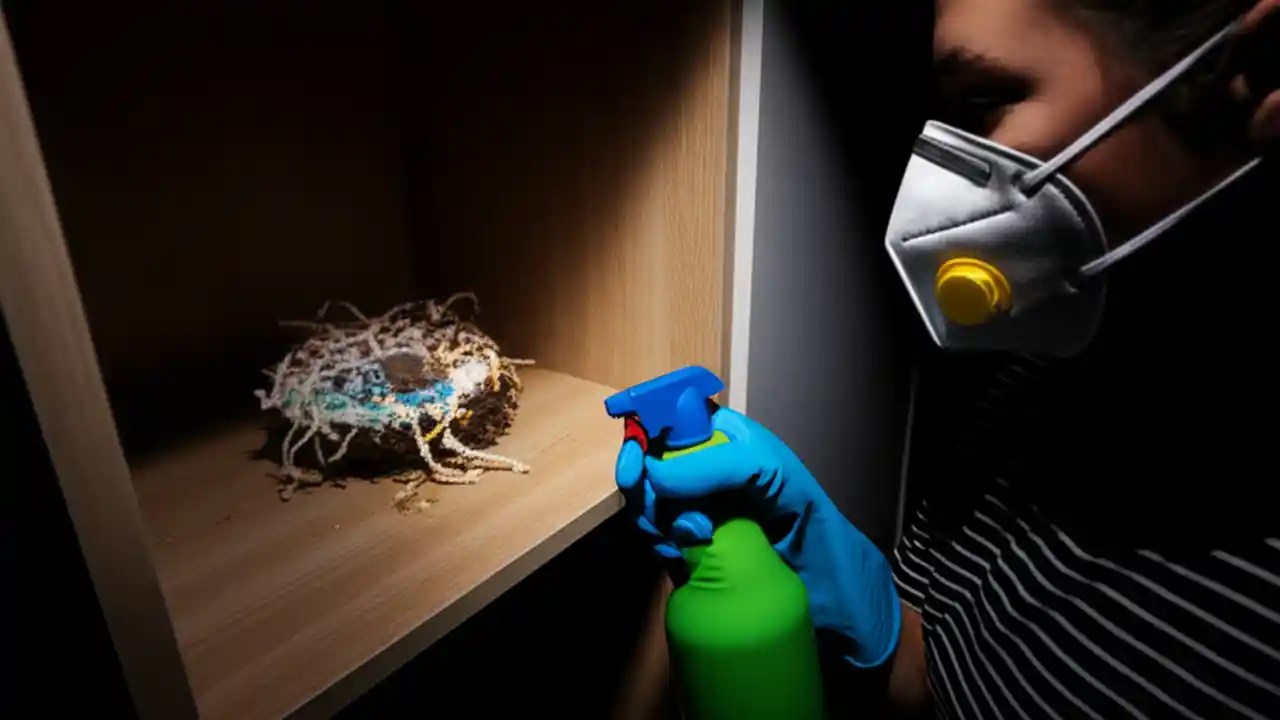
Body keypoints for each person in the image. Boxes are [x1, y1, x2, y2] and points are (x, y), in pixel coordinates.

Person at [615, 0, 1280, 717]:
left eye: (985, 101)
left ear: (1254, 73)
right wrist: (824, 565)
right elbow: (941, 678)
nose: (931, 191)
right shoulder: (1042, 379)